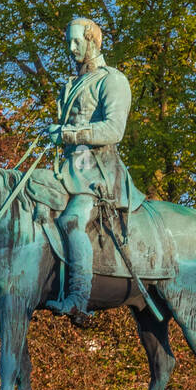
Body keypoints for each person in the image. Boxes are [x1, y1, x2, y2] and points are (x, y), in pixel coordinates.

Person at [46, 16, 146, 318]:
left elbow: (114, 129)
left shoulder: (112, 79)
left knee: (73, 220)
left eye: (77, 41)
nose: (71, 48)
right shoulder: (72, 83)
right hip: (69, 168)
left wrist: (68, 133)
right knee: (29, 205)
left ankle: (78, 298)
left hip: (99, 172)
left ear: (93, 41)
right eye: (68, 43)